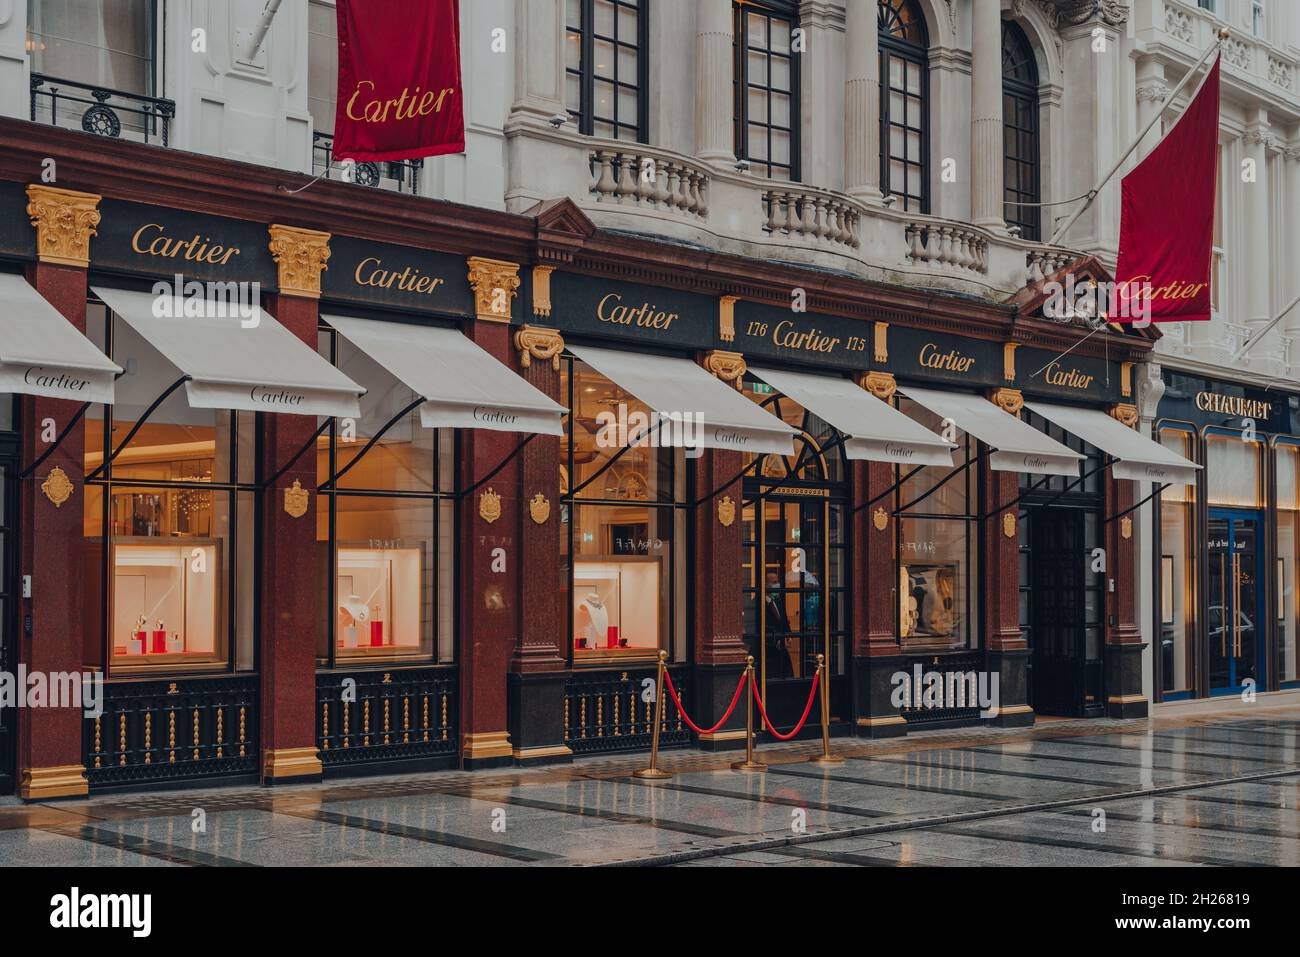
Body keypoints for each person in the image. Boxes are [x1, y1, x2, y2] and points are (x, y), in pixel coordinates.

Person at [765, 571, 793, 679]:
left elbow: (784, 621)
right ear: (766, 584)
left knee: (788, 675)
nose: (777, 585)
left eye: (778, 582)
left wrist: (788, 636)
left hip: (782, 651)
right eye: (774, 582)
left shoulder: (778, 601)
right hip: (768, 652)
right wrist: (778, 639)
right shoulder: (757, 603)